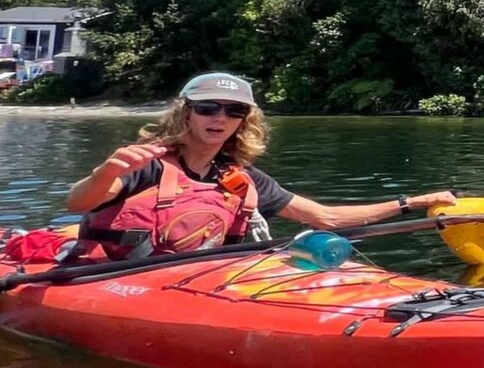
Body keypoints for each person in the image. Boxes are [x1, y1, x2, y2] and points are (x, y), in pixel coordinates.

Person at [63, 72, 460, 262]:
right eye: (208, 108)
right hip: (118, 279)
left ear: (243, 121)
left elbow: (328, 218)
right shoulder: (147, 162)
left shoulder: (239, 179)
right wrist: (106, 173)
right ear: (186, 113)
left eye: (233, 110)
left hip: (200, 280)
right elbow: (78, 203)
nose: (220, 117)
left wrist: (415, 201)